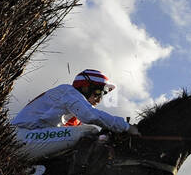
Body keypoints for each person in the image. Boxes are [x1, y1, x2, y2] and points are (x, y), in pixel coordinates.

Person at [10, 68, 138, 161]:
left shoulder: (74, 115)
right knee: (89, 131)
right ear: (85, 88)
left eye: (103, 95)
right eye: (99, 92)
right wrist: (126, 127)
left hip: (31, 139)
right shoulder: (68, 91)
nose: (99, 99)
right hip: (22, 137)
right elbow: (91, 116)